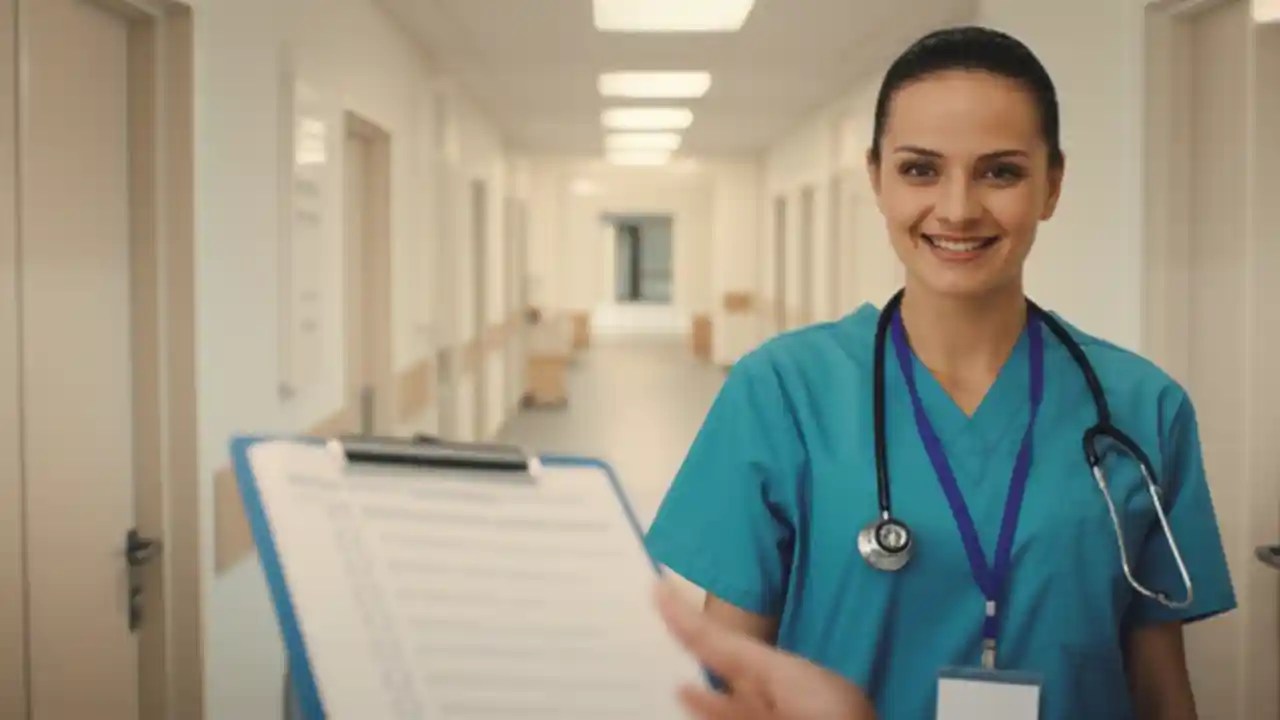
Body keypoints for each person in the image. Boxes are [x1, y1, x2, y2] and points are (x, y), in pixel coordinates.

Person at [644, 25, 1236, 720]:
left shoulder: (1142, 408)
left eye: (1001, 171)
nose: (957, 208)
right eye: (921, 169)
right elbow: (731, 681)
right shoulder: (782, 392)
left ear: (1052, 184)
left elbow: (1162, 692)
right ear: (877, 179)